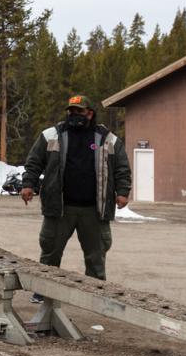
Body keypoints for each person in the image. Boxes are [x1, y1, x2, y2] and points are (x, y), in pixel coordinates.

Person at [21, 94, 131, 283]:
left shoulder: (108, 139)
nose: (73, 114)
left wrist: (123, 192)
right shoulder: (51, 135)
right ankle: (43, 290)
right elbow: (34, 162)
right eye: (70, 111)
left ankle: (96, 294)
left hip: (94, 210)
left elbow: (121, 167)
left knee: (96, 257)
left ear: (89, 114)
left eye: (78, 111)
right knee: (50, 252)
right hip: (60, 208)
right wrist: (28, 184)